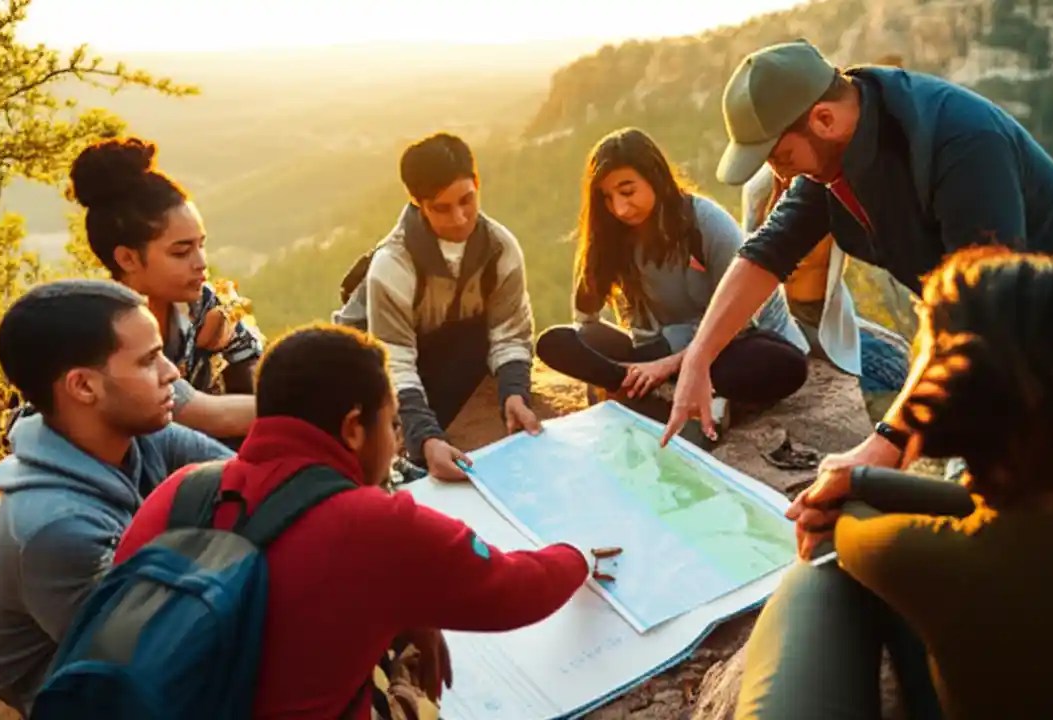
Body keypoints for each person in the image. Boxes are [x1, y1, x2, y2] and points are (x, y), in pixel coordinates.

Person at [739, 249, 1053, 719]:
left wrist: (855, 486)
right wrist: (860, 478)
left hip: (915, 576)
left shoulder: (940, 559)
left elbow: (844, 533)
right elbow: (977, 513)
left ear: (957, 395)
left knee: (816, 577)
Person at [116, 323, 617, 717]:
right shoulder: (372, 525)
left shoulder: (181, 491)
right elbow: (515, 590)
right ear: (354, 428)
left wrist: (407, 609)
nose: (398, 442)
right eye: (394, 423)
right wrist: (576, 555)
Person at [662, 39, 1053, 464]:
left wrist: (883, 445)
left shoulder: (963, 143)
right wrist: (700, 357)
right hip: (999, 342)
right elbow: (765, 254)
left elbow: (981, 313)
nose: (778, 172)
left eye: (779, 156)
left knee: (1037, 505)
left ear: (823, 119)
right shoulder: (831, 163)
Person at [0, 279, 234, 715]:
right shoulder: (56, 528)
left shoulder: (140, 434)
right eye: (149, 361)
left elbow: (247, 482)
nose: (173, 372)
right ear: (84, 387)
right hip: (53, 684)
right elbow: (143, 661)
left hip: (130, 629)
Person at [536, 128, 808, 447]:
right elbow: (585, 319)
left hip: (734, 342)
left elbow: (741, 320)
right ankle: (638, 387)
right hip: (663, 344)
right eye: (608, 199)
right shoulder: (615, 236)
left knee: (784, 364)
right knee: (561, 341)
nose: (620, 208)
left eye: (628, 191)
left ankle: (671, 392)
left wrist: (667, 365)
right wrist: (634, 366)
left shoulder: (705, 223)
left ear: (655, 178)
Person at [333, 133, 539, 482]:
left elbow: (510, 331)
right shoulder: (393, 264)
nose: (459, 218)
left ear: (477, 184)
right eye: (441, 208)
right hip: (373, 365)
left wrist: (514, 392)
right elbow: (393, 358)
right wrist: (425, 436)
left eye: (466, 200)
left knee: (475, 340)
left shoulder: (500, 250)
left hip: (444, 356)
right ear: (417, 203)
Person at [68, 136, 261, 442]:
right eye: (181, 252)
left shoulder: (203, 303)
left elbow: (249, 360)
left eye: (201, 246)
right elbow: (207, 416)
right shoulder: (107, 331)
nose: (200, 263)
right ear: (127, 258)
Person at [741, 163, 910, 410]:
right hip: (784, 324)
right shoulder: (765, 200)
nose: (796, 247)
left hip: (827, 321)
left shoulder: (883, 357)